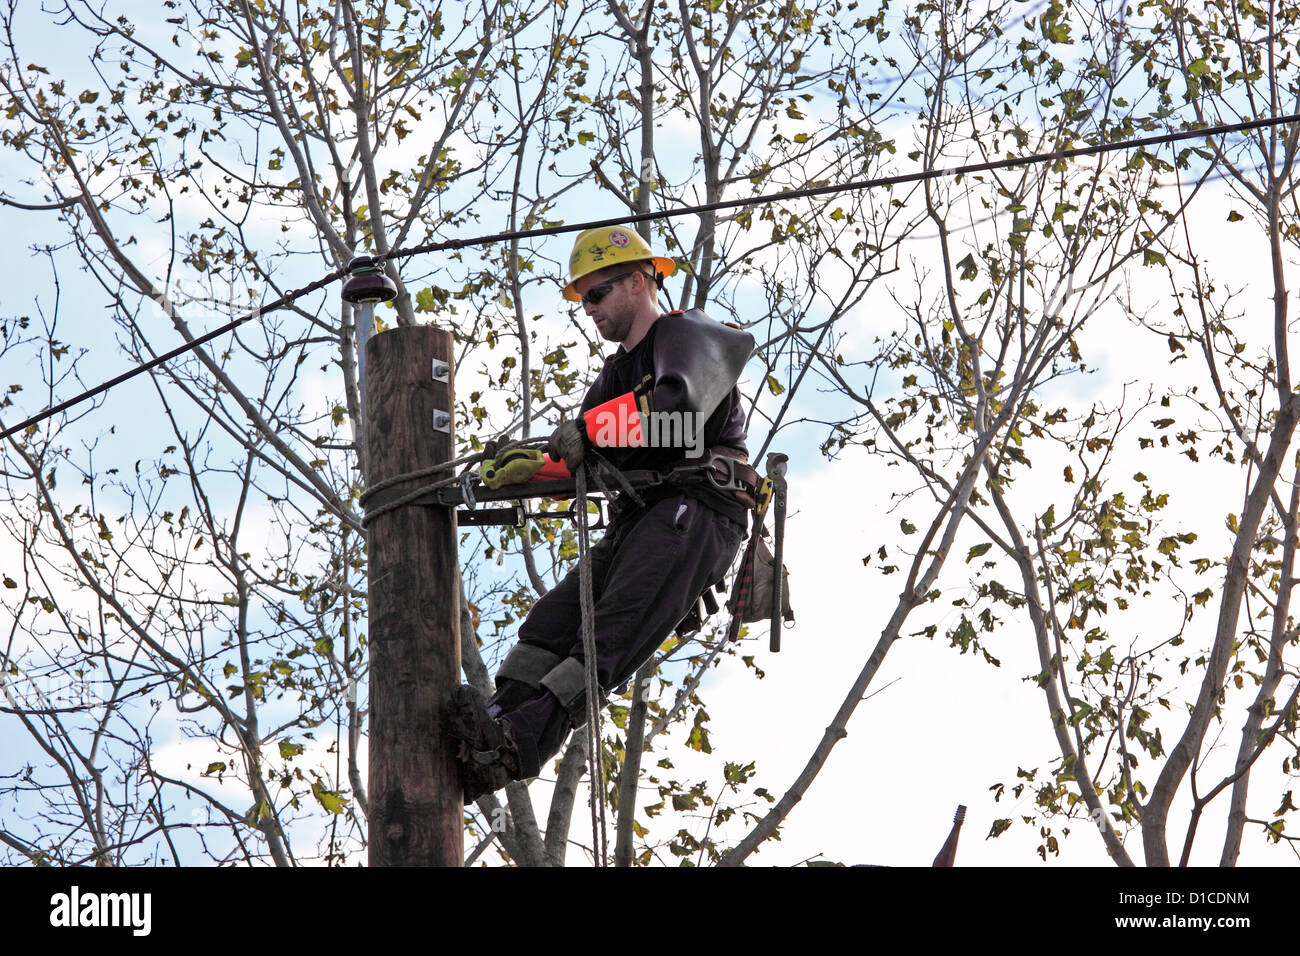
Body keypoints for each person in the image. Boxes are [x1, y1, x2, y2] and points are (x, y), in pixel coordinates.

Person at [451, 226, 757, 802]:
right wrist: (525, 470)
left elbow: (679, 409)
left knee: (606, 637)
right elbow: (581, 464)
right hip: (640, 518)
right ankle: (489, 724)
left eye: (597, 294)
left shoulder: (687, 334)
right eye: (583, 300)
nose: (588, 309)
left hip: (695, 512)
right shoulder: (614, 379)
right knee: (550, 623)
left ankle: (517, 745)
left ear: (638, 282)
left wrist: (585, 435)